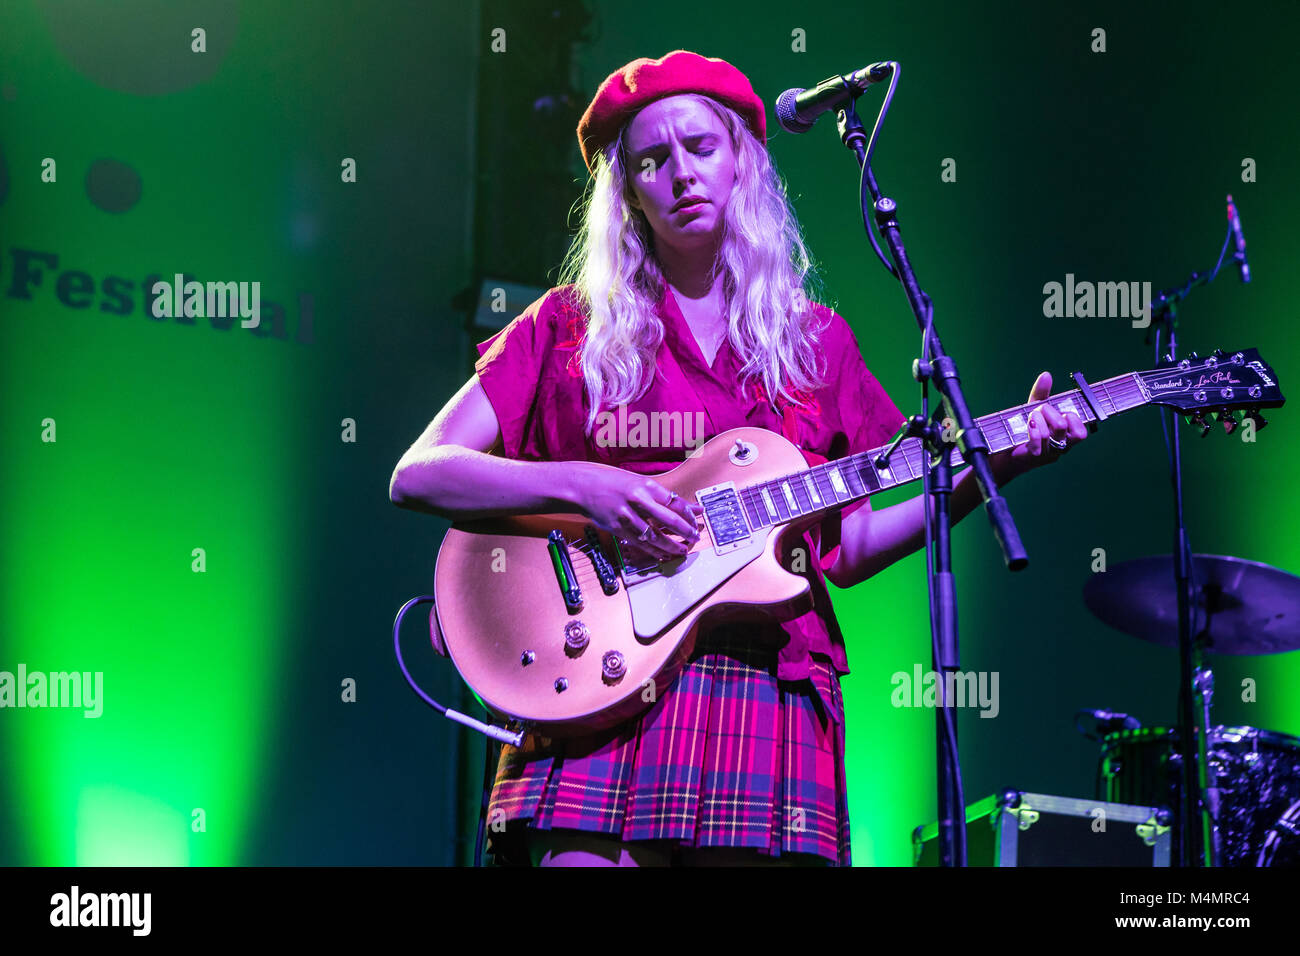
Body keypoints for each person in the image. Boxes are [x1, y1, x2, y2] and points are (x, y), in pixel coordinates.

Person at [390, 51, 1087, 867]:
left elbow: (850, 546)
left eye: (700, 148)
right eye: (652, 160)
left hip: (766, 681)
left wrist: (994, 470)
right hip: (593, 684)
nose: (681, 175)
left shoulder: (815, 342)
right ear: (627, 193)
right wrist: (588, 489)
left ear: (741, 165)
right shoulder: (563, 327)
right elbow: (421, 471)